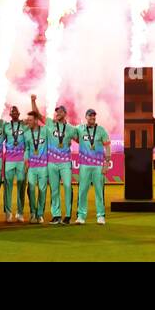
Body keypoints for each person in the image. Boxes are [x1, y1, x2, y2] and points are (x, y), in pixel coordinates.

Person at [33, 94, 77, 225]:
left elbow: (80, 141)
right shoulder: (50, 123)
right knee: (54, 189)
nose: (57, 113)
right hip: (52, 163)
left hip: (65, 163)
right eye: (56, 111)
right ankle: (56, 215)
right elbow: (37, 114)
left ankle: (68, 215)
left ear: (65, 113)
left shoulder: (71, 128)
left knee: (68, 186)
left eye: (60, 111)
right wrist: (33, 101)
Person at [74, 108, 110, 225]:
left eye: (94, 116)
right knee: (82, 191)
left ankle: (100, 216)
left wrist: (106, 163)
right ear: (86, 117)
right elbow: (71, 134)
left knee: (99, 192)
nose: (92, 118)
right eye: (90, 116)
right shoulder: (79, 129)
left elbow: (107, 147)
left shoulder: (101, 130)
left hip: (98, 166)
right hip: (84, 166)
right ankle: (81, 216)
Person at [0, 105, 29, 222]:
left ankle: (20, 212)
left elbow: (29, 141)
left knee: (22, 184)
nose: (14, 113)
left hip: (21, 159)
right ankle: (8, 213)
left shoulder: (24, 125)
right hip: (10, 160)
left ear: (19, 113)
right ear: (10, 114)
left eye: (16, 111)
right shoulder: (6, 126)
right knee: (8, 186)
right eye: (12, 111)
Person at [24, 107, 50, 224]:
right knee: (31, 189)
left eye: (30, 120)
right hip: (32, 167)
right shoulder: (27, 134)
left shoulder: (44, 131)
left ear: (35, 121)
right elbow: (27, 148)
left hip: (43, 166)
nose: (28, 122)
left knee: (42, 190)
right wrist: (26, 161)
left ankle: (40, 214)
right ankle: (32, 213)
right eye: (27, 120)